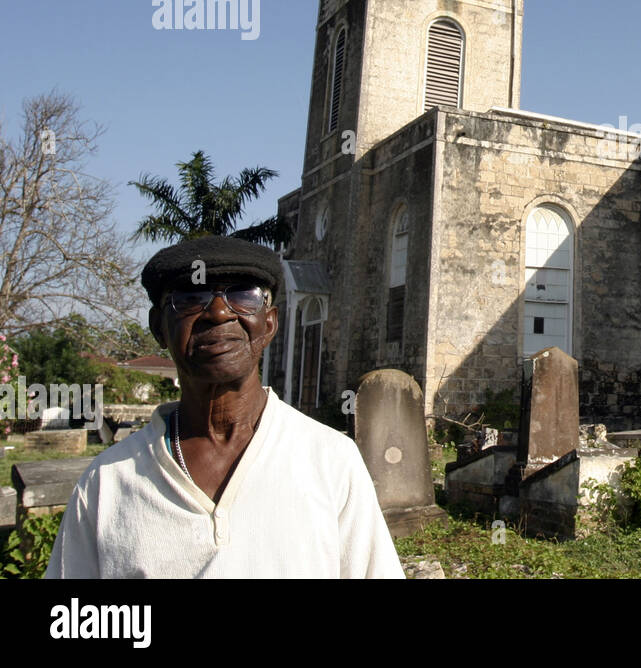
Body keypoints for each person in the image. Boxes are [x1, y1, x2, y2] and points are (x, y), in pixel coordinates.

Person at [45, 236, 404, 578]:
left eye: (243, 296)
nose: (218, 313)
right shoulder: (108, 480)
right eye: (190, 297)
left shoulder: (331, 460)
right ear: (159, 327)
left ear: (269, 323)